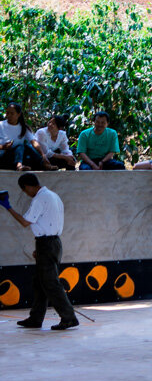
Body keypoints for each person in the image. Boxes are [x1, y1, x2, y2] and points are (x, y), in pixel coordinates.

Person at [0, 173, 78, 330]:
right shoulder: (53, 196)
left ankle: (69, 317)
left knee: (50, 283)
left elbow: (24, 222)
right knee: (40, 282)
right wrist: (40, 248)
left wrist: (7, 207)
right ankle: (36, 318)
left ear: (28, 186)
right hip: (52, 243)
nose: (26, 194)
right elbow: (47, 222)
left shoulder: (40, 199)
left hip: (47, 244)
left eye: (24, 190)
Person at [0, 103, 42, 171]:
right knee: (20, 146)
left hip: (15, 158)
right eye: (7, 113)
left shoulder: (23, 127)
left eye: (12, 113)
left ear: (18, 114)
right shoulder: (1, 125)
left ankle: (43, 163)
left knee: (28, 147)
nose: (9, 115)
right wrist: (3, 147)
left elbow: (34, 142)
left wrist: (43, 155)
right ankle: (19, 165)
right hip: (2, 158)